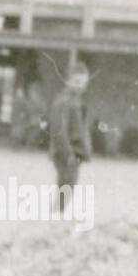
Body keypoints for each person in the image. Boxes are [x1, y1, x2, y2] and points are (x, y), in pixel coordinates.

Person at [49, 62, 93, 214]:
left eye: (83, 82)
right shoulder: (64, 101)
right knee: (66, 182)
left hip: (76, 150)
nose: (80, 85)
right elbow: (58, 130)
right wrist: (68, 154)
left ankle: (58, 213)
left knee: (69, 183)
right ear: (67, 81)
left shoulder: (77, 101)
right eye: (76, 81)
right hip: (66, 150)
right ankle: (56, 215)